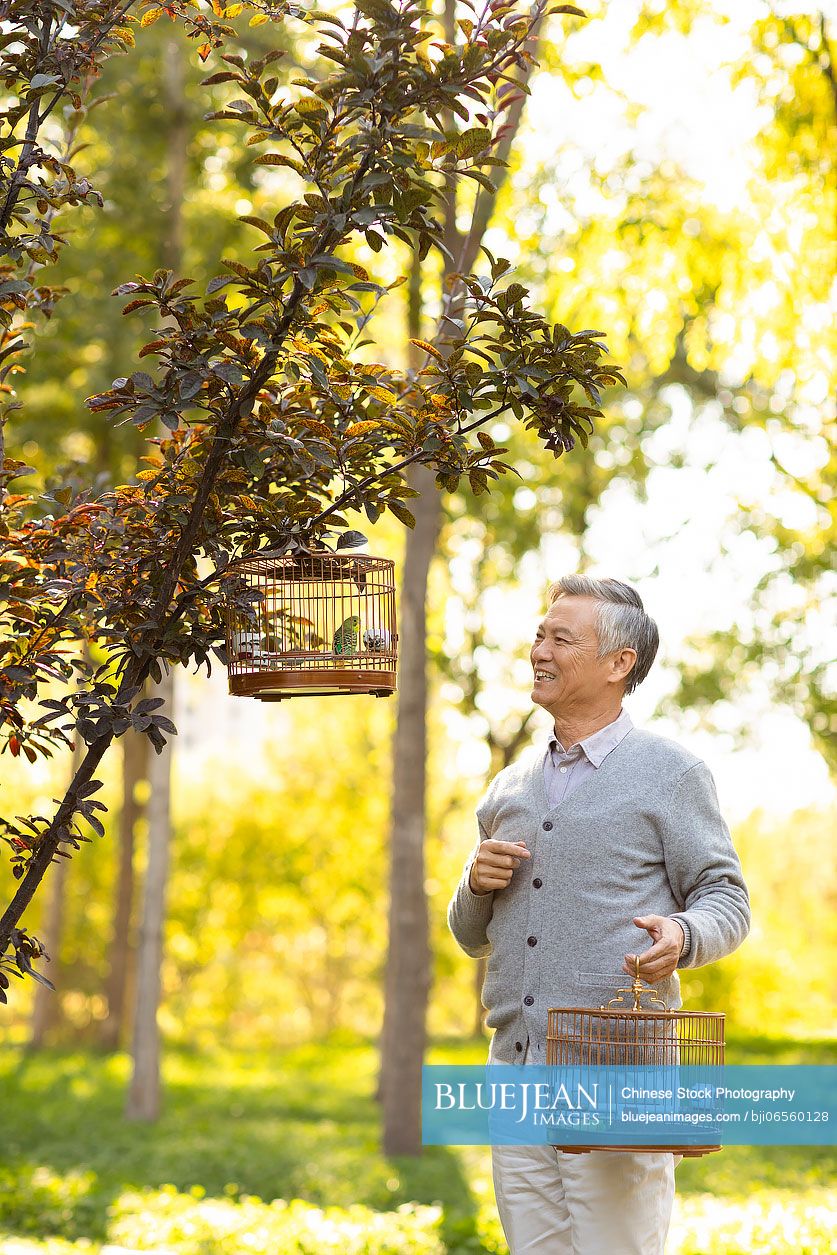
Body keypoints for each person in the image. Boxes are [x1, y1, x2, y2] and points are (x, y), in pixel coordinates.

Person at [447, 575, 750, 1255]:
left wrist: (683, 933)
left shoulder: (669, 773)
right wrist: (473, 883)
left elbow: (726, 898)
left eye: (561, 638)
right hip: (515, 1072)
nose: (538, 650)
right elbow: (470, 936)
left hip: (616, 1075)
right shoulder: (508, 788)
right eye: (537, 634)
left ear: (619, 663)